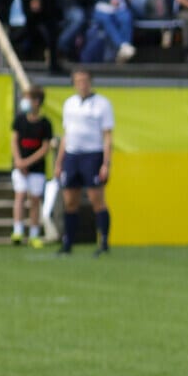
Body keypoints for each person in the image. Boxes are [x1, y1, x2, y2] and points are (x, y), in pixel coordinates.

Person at [57, 67, 113, 256]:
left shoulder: (102, 104)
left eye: (85, 80)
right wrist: (59, 162)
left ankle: (103, 241)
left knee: (96, 199)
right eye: (78, 81)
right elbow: (66, 134)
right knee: (70, 201)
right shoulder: (69, 104)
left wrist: (106, 163)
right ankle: (68, 243)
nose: (82, 84)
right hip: (72, 155)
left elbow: (107, 136)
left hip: (92, 155)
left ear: (90, 82)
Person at [9, 84, 54, 247]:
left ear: (37, 101)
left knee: (35, 200)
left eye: (28, 98)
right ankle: (18, 231)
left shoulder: (45, 123)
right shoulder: (19, 120)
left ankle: (34, 234)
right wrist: (19, 161)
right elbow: (14, 141)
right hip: (20, 167)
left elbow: (45, 148)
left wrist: (28, 162)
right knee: (20, 196)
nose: (25, 102)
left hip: (37, 169)